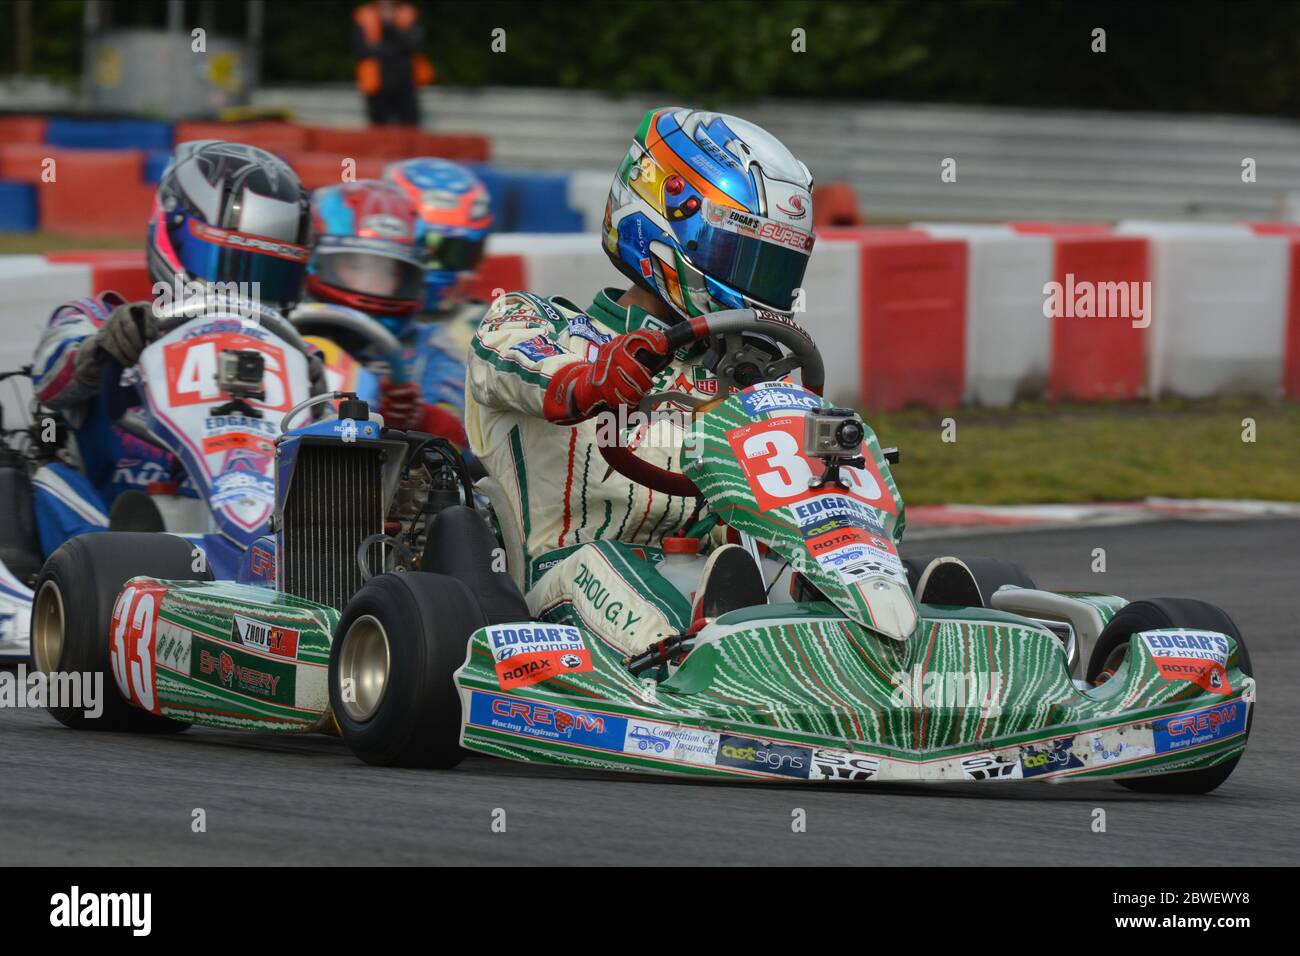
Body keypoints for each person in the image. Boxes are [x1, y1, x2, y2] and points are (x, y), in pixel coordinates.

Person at [465, 107, 817, 657]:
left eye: (773, 270)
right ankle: (696, 666)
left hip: (706, 574)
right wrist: (591, 380)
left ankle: (881, 639)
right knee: (606, 567)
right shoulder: (537, 322)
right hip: (559, 580)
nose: (758, 288)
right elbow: (517, 365)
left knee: (797, 563)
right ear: (668, 224)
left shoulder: (738, 377)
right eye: (744, 260)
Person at [31, 140, 317, 557]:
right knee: (49, 481)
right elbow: (49, 378)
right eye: (228, 265)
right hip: (114, 533)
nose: (240, 291)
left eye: (267, 275)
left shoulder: (298, 358)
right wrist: (102, 350)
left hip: (254, 541)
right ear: (173, 234)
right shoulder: (100, 320)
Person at [304, 178, 465, 444]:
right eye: (357, 267)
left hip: (387, 477)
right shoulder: (283, 327)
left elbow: (464, 444)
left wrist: (415, 420)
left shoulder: (432, 348)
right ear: (316, 260)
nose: (374, 283)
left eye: (388, 271)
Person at [383, 157, 492, 424]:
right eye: (428, 249)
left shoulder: (487, 332)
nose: (438, 265)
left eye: (455, 252)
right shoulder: (349, 311)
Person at [352, 0, 434, 127]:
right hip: (376, 83)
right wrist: (395, 50)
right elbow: (361, 49)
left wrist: (390, 24)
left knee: (409, 126)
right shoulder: (365, 14)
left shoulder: (407, 13)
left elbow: (414, 45)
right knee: (379, 128)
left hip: (405, 82)